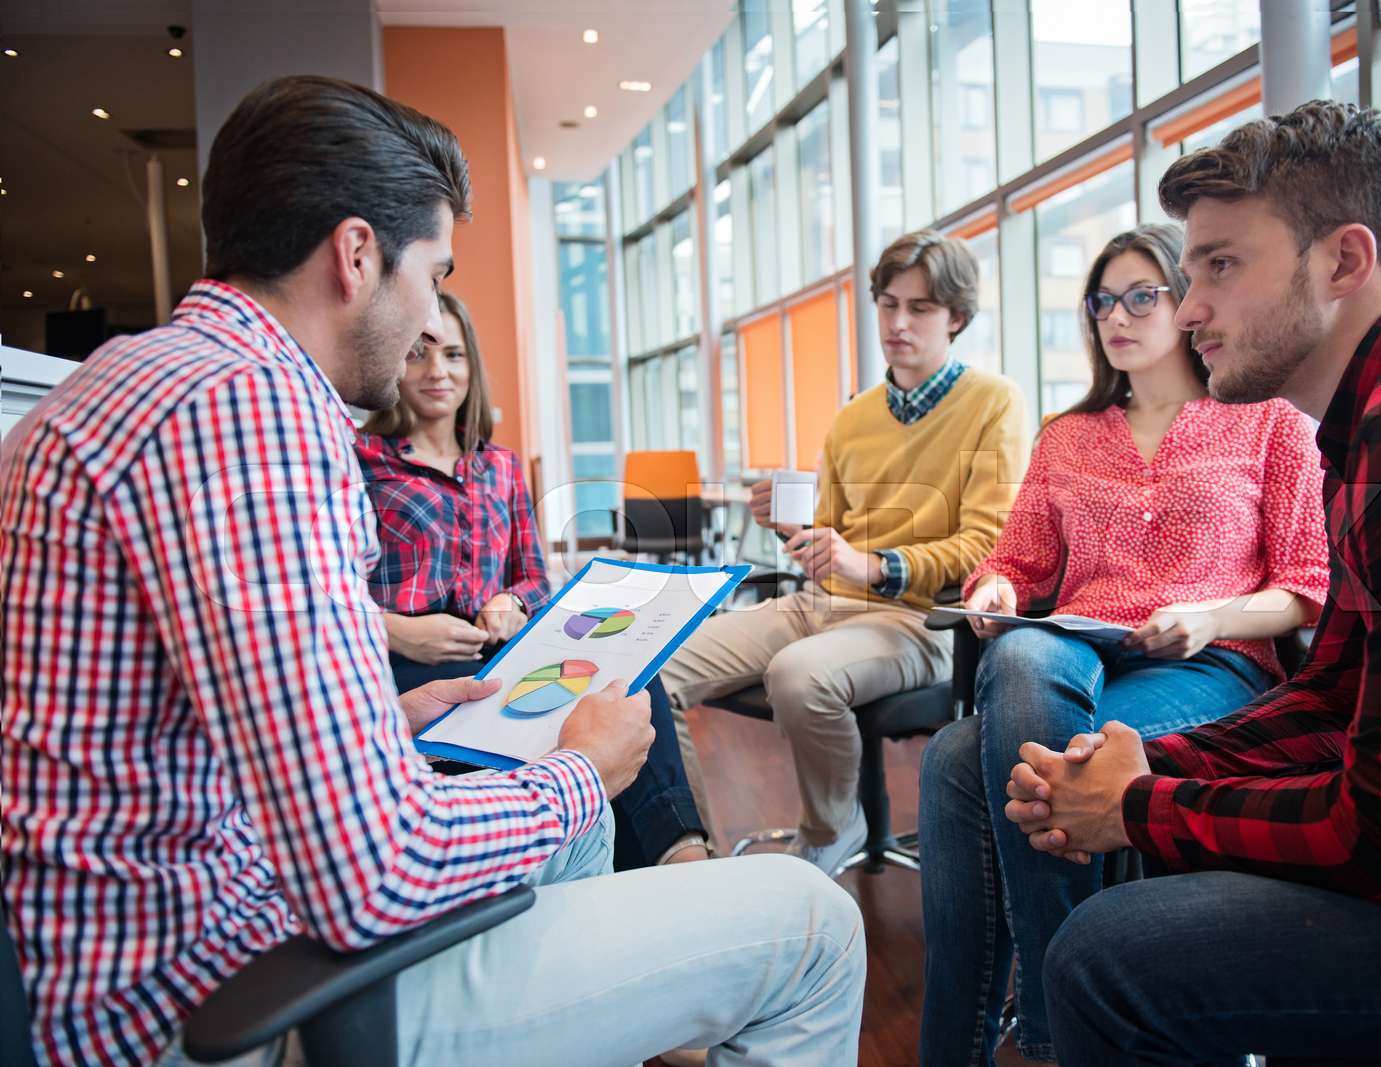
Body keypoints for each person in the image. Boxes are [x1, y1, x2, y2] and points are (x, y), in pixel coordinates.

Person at [0, 75, 865, 1067]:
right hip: (213, 991)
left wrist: (379, 720)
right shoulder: (250, 414)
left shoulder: (123, 381)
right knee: (813, 926)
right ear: (357, 253)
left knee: (568, 831)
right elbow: (369, 873)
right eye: (433, 274)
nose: (427, 325)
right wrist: (582, 774)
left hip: (159, 923)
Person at [1003, 100, 1381, 1065]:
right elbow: (1339, 692)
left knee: (1107, 957)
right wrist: (1158, 764)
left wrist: (1139, 803)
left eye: (1221, 266)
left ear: (1344, 261)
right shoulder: (1370, 423)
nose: (1188, 308)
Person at [917, 222, 1330, 1065]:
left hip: (1211, 660)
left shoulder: (1267, 423)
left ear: (1186, 303)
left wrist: (1213, 615)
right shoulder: (1069, 436)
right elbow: (1015, 561)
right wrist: (995, 591)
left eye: (1143, 293)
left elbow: (1305, 584)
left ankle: (1039, 1019)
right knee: (1022, 654)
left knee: (957, 761)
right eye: (1104, 299)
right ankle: (1058, 1008)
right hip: (1079, 645)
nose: (1118, 314)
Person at [660, 230, 1028, 874]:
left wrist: (872, 564)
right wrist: (788, 527)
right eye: (888, 304)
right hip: (821, 604)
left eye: (919, 308)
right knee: (650, 670)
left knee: (799, 675)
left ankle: (832, 825)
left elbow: (986, 548)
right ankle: (693, 859)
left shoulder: (994, 403)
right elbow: (828, 535)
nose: (897, 322)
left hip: (921, 617)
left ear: (957, 318)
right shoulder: (854, 417)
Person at [355, 290, 710, 871]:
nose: (437, 371)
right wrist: (396, 631)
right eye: (418, 354)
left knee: (628, 677)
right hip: (413, 663)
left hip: (502, 649)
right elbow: (325, 596)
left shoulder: (500, 466)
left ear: (472, 365)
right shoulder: (361, 462)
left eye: (453, 354)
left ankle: (682, 856)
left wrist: (510, 601)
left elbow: (534, 576)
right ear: (394, 359)